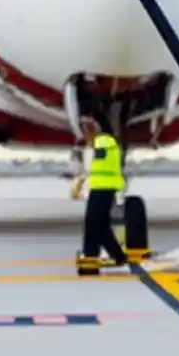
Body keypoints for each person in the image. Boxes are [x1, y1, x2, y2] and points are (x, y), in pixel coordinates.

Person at [79, 117, 128, 273]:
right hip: (101, 188)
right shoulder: (104, 141)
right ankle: (114, 255)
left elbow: (96, 157)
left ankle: (92, 258)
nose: (84, 136)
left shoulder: (104, 141)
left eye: (86, 131)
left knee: (94, 224)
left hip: (103, 189)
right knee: (98, 225)